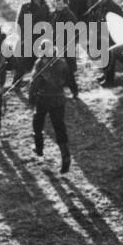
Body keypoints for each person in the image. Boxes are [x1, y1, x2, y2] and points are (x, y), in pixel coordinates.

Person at [27, 43, 77, 174]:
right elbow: (70, 79)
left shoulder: (39, 64)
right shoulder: (62, 63)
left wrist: (31, 97)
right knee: (59, 126)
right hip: (59, 98)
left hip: (43, 98)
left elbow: (34, 83)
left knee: (37, 122)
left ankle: (39, 149)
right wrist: (74, 91)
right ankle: (65, 154)